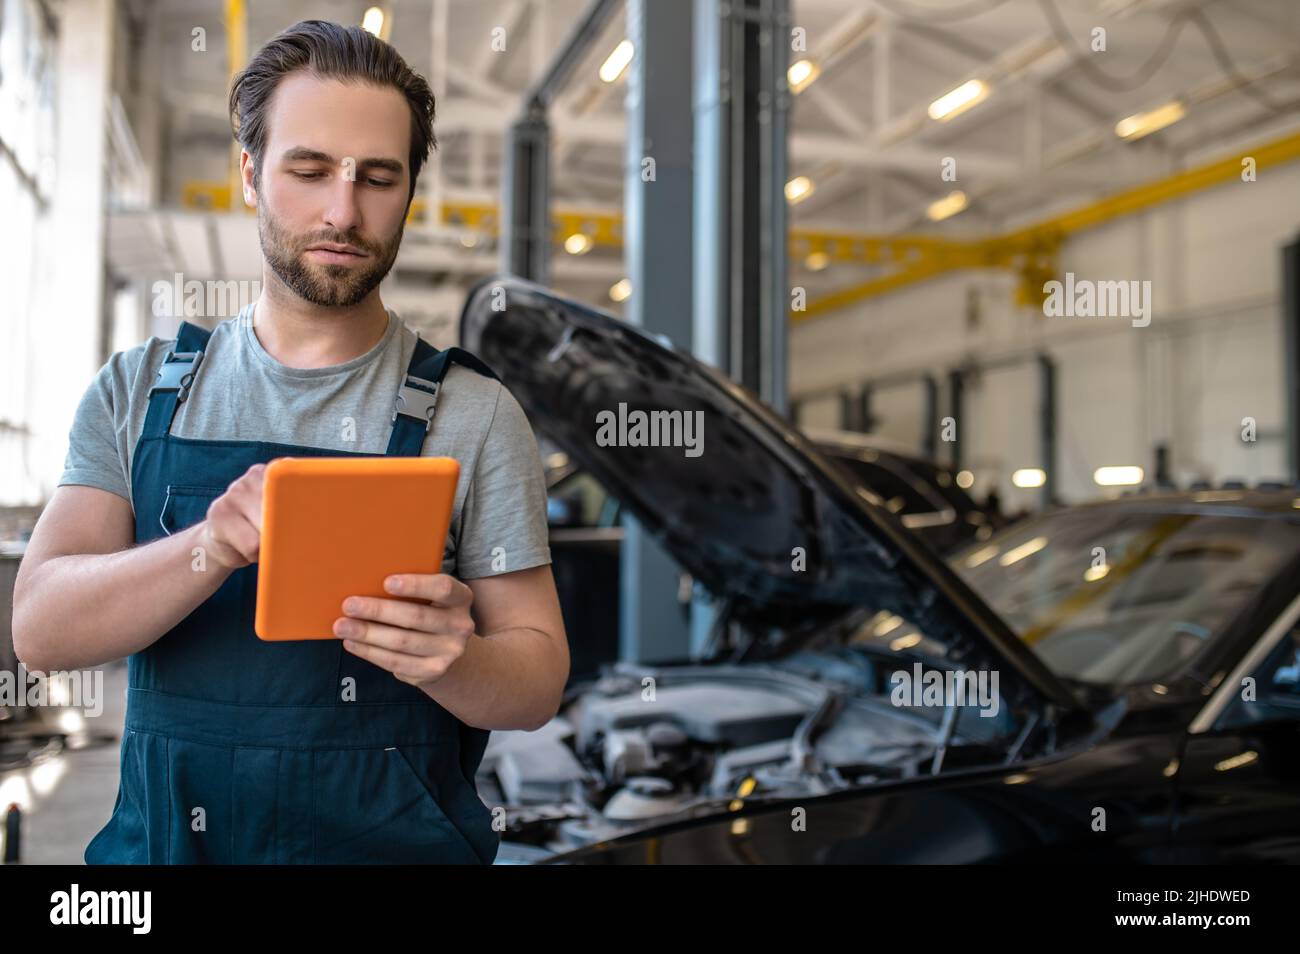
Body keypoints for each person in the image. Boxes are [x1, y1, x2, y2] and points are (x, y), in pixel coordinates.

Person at [11, 20, 568, 864]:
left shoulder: (475, 412)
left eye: (378, 178)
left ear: (411, 188)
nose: (343, 211)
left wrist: (455, 661)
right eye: (308, 171)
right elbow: (42, 630)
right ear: (249, 172)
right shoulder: (140, 391)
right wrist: (208, 547)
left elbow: (534, 684)